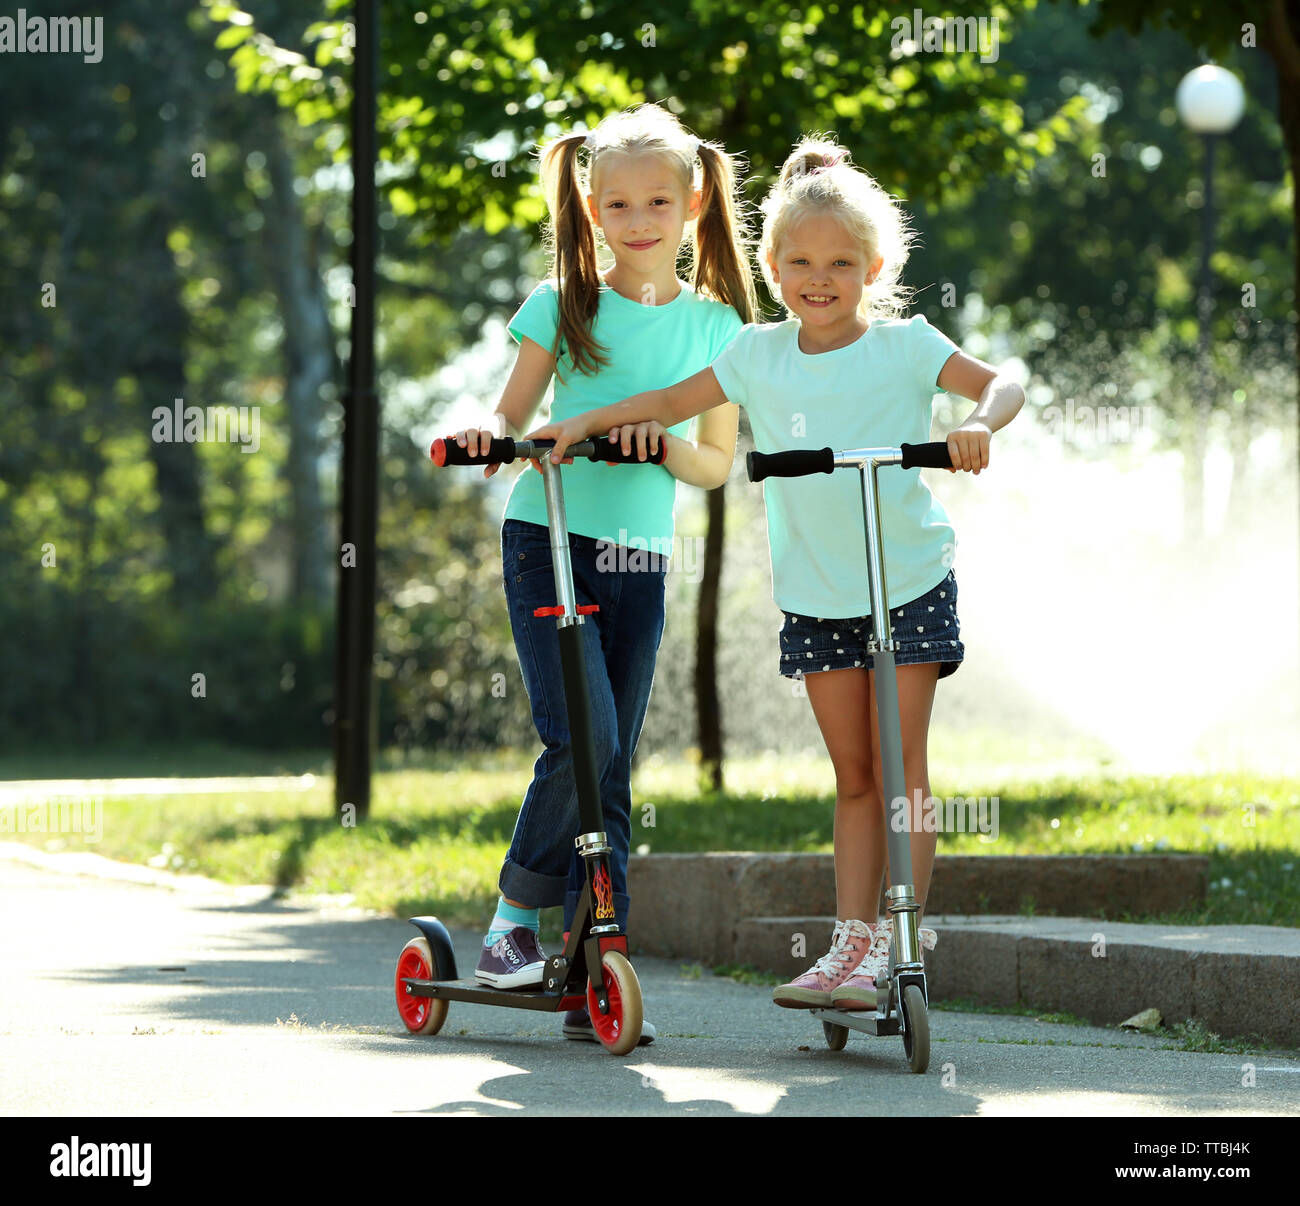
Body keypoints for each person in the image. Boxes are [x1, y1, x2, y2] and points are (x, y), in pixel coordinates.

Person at [527, 135, 1025, 1011]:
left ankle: (899, 945)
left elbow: (1005, 381)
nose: (819, 278)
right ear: (772, 263)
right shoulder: (757, 354)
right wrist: (576, 425)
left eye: (840, 262)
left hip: (903, 577)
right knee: (855, 776)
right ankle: (849, 949)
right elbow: (670, 404)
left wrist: (978, 422)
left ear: (875, 266)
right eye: (799, 261)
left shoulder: (907, 345)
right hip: (816, 594)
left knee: (901, 762)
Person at [450, 103, 757, 1042]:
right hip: (549, 534)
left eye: (657, 201)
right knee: (577, 740)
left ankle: (595, 959)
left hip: (643, 555)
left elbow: (713, 465)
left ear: (694, 201)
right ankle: (511, 928)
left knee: (614, 754)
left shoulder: (719, 326)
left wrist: (658, 442)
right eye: (617, 203)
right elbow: (514, 422)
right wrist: (484, 438)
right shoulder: (562, 305)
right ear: (590, 209)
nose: (638, 219)